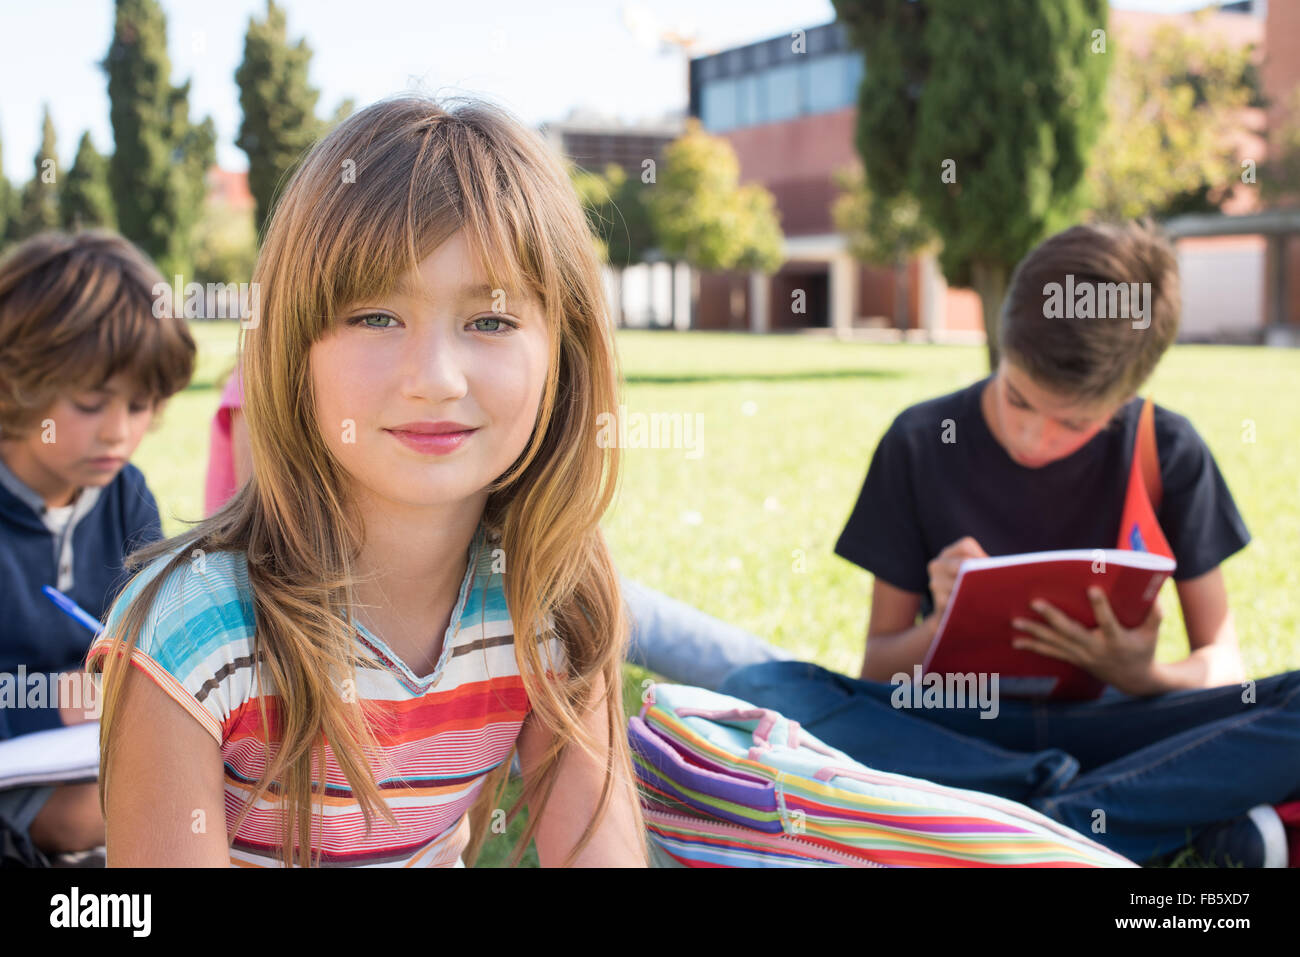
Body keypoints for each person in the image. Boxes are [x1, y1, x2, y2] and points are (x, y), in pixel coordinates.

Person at [86, 94, 647, 868]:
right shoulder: (188, 635)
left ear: (566, 355)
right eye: (376, 317)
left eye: (490, 320)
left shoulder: (550, 594)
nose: (435, 379)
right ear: (293, 350)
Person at [714, 220, 1300, 866]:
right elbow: (880, 670)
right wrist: (937, 622)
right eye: (1019, 398)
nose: (1034, 437)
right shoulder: (918, 440)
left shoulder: (1170, 449)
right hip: (956, 727)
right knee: (768, 687)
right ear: (1001, 343)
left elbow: (1224, 664)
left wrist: (1144, 674)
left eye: (1074, 423)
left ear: (1126, 399)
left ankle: (1029, 827)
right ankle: (1099, 820)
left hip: (1119, 728)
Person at [0, 230, 195, 864]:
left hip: (107, 747)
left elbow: (162, 627)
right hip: (27, 770)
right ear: (15, 384)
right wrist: (46, 700)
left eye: (140, 406)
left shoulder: (123, 492)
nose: (118, 432)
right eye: (90, 403)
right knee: (115, 814)